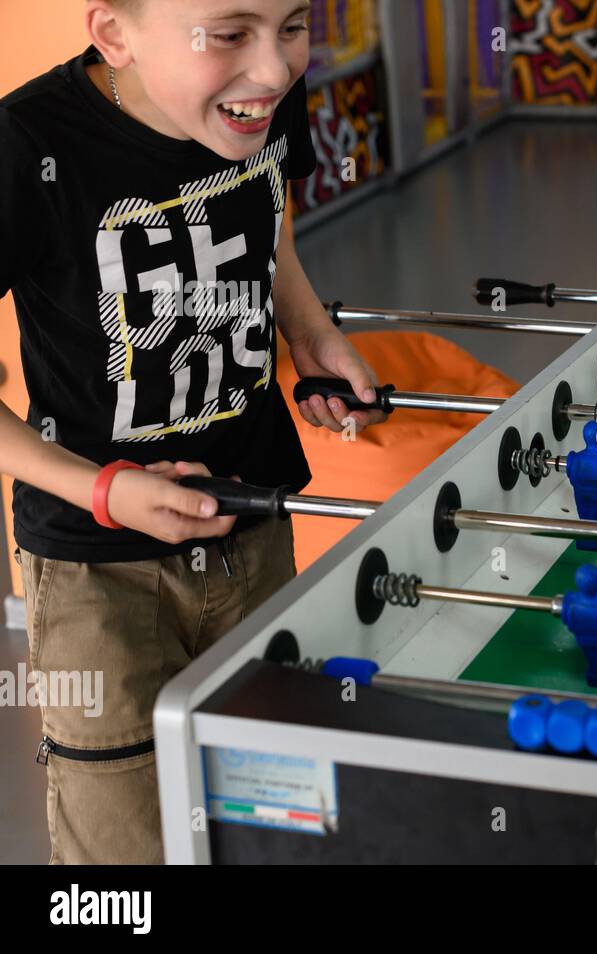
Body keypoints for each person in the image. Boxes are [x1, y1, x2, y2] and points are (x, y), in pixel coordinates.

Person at [0, 0, 387, 863]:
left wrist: (309, 332)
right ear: (115, 35)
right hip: (97, 570)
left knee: (266, 818)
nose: (278, 70)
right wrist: (100, 488)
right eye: (231, 33)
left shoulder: (253, 106)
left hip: (253, 528)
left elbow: (267, 225)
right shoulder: (27, 146)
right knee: (124, 842)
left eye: (294, 26)